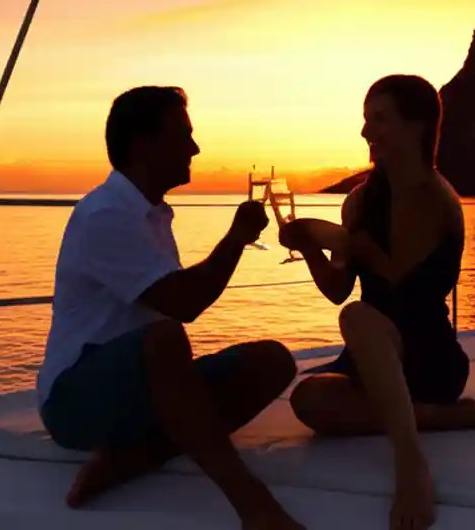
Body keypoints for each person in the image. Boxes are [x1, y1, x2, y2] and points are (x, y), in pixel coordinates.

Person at [279, 74, 475, 530]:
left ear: (417, 126)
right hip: (372, 353)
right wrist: (307, 247)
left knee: (359, 315)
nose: (365, 132)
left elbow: (395, 280)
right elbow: (338, 286)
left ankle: (410, 464)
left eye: (379, 119)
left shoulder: (436, 200)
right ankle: (456, 420)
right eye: (365, 120)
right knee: (308, 400)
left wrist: (331, 235)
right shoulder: (360, 200)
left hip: (426, 353)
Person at [37, 86, 303, 530]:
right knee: (165, 339)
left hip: (140, 386)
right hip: (74, 398)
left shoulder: (152, 213)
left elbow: (180, 301)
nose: (195, 148)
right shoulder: (105, 215)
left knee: (273, 362)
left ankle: (131, 459)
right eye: (183, 135)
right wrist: (236, 238)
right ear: (143, 144)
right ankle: (251, 502)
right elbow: (183, 302)